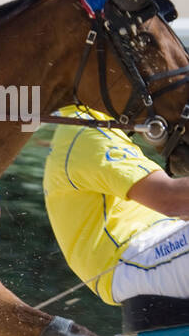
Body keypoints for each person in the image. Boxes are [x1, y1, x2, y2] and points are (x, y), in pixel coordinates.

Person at [44, 104, 189, 305]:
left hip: (149, 250)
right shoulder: (87, 131)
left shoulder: (94, 126)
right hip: (129, 260)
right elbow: (170, 199)